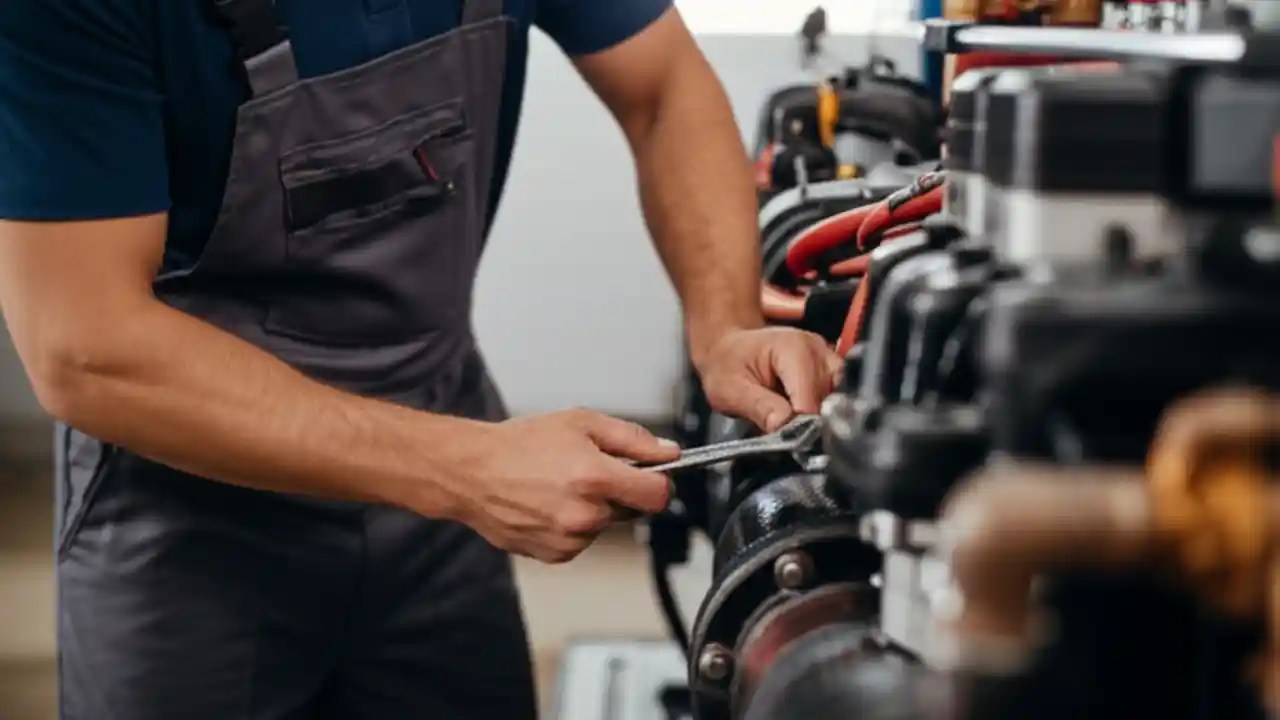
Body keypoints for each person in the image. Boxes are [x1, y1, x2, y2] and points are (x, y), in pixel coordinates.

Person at [0, 1, 841, 717]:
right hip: (187, 529)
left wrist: (724, 331)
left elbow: (663, 89)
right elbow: (87, 348)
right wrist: (463, 466)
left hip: (441, 513)